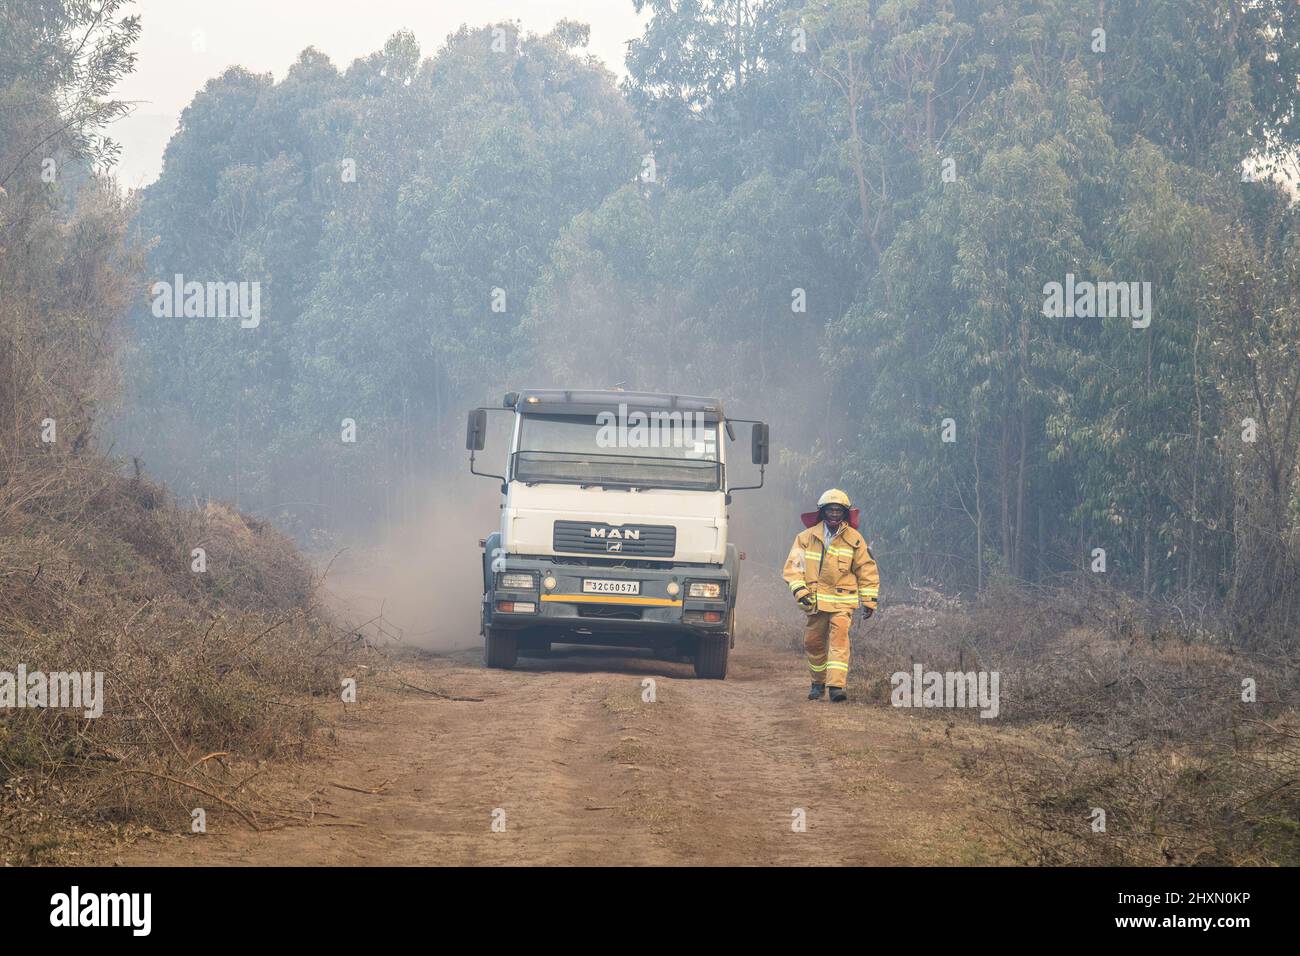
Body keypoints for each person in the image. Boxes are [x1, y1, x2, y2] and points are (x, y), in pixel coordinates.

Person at [782, 489, 879, 702]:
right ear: (823, 512)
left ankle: (836, 687)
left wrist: (869, 600)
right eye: (831, 510)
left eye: (838, 511)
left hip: (843, 602)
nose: (834, 514)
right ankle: (818, 683)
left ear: (845, 514)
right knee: (813, 644)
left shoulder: (855, 539)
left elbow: (866, 569)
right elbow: (793, 567)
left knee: (839, 642)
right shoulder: (805, 538)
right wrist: (800, 590)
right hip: (815, 602)